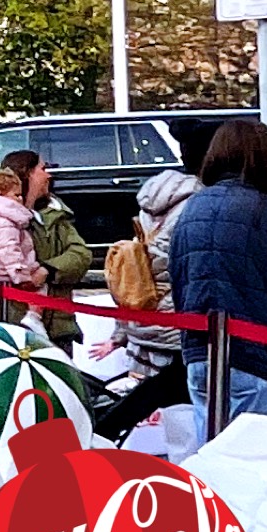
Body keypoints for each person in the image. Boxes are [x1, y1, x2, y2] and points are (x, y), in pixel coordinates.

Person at [168, 118, 267, 443]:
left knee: (213, 460)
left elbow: (177, 280)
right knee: (256, 467)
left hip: (201, 354)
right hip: (257, 355)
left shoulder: (191, 208)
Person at [82, 162, 202, 441]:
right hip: (179, 323)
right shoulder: (196, 207)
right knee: (177, 401)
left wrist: (121, 332)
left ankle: (102, 434)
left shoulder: (149, 207)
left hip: (148, 318)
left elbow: (138, 270)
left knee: (157, 397)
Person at [0, 149, 89, 350]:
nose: (49, 175)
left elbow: (81, 255)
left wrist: (46, 271)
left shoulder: (55, 217)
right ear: (26, 173)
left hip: (48, 333)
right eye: (43, 168)